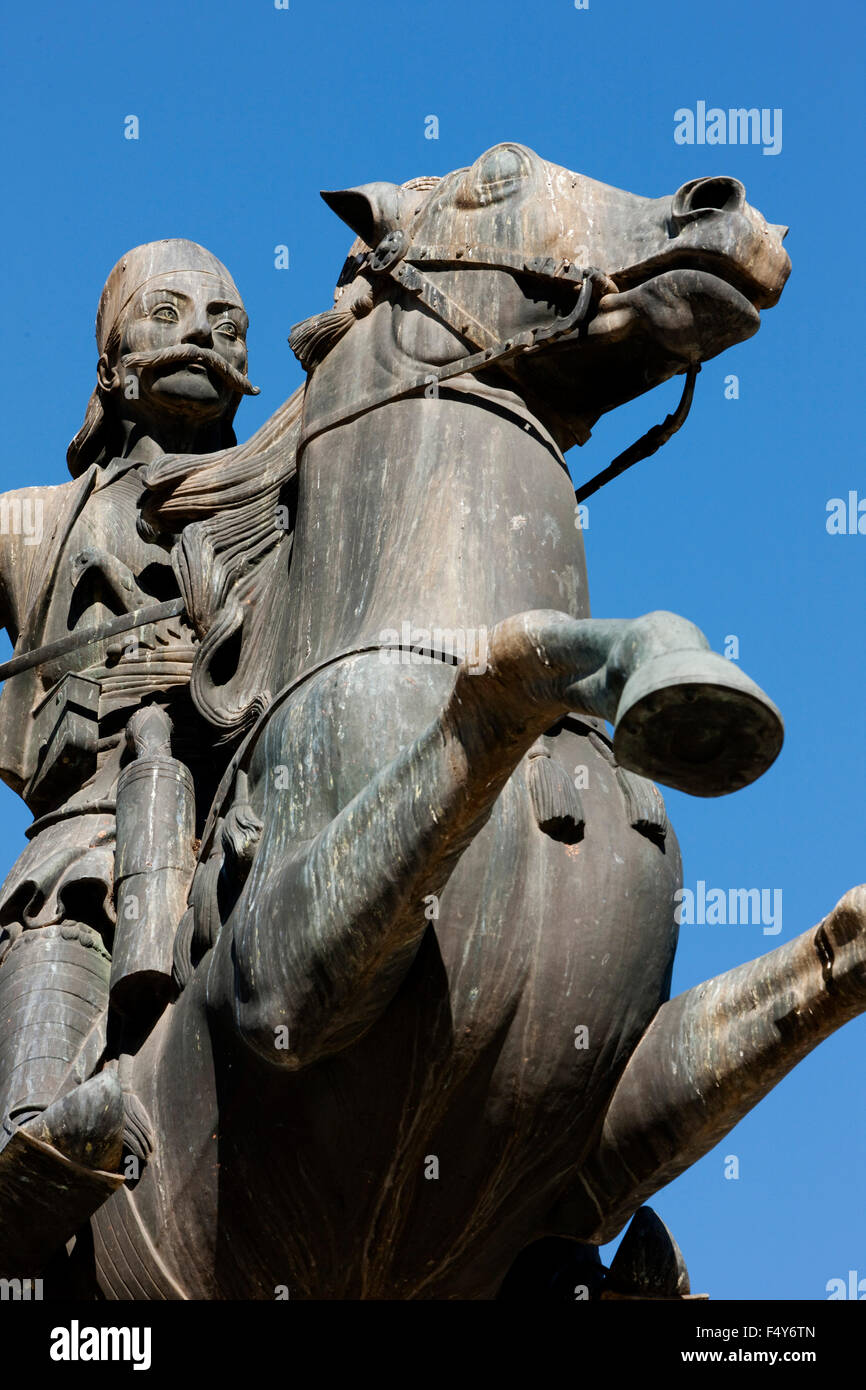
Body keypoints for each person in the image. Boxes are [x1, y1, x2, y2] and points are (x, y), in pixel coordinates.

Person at [0, 239, 263, 1258]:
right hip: (91, 826)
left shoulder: (287, 492)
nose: (201, 331)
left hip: (255, 793)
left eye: (225, 320)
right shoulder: (30, 527)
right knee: (61, 897)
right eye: (170, 311)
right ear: (111, 361)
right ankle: (27, 1154)